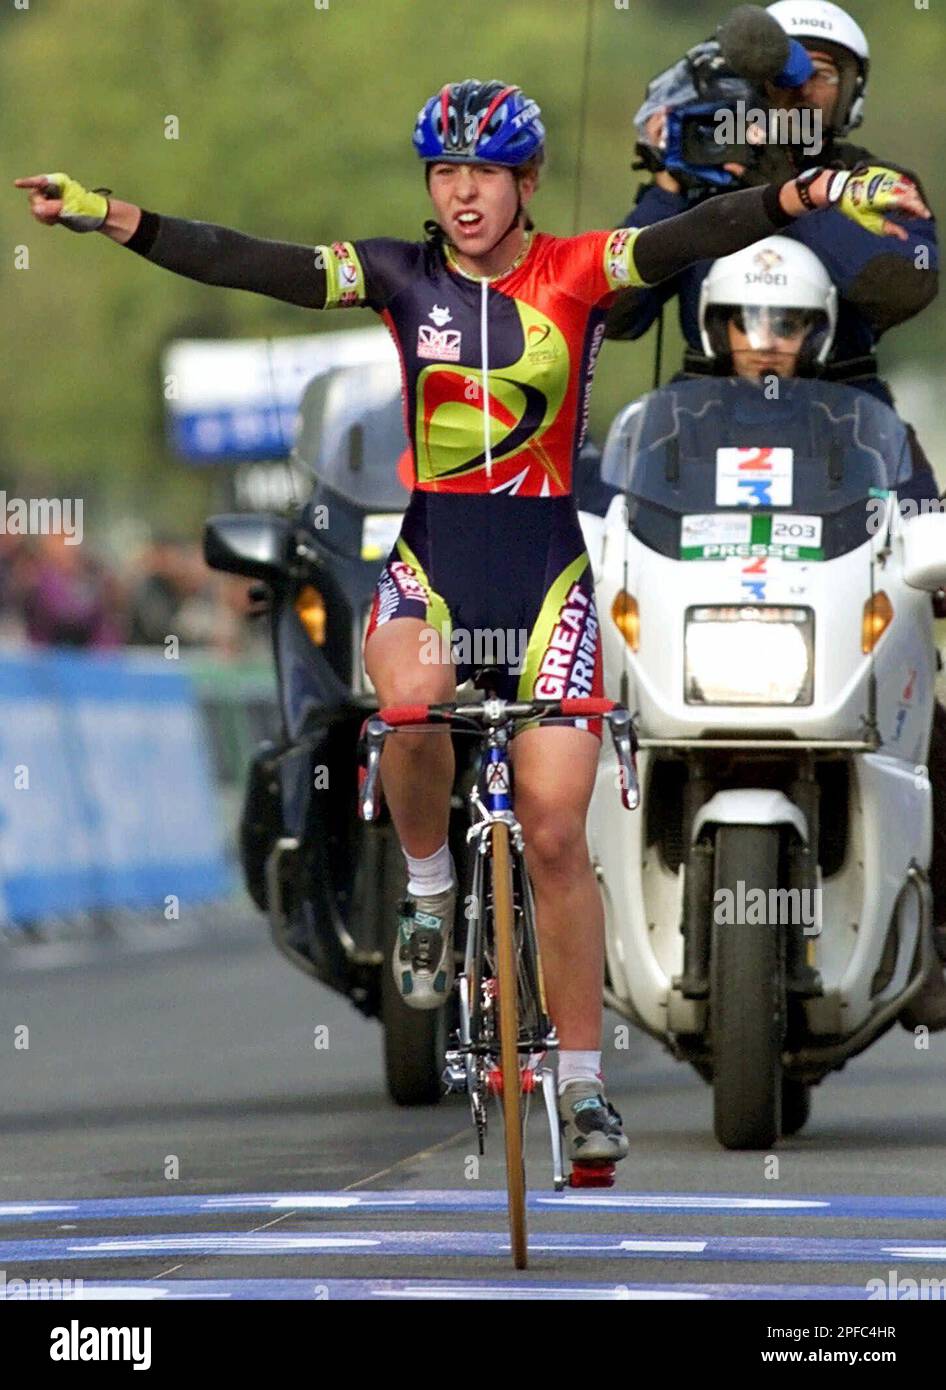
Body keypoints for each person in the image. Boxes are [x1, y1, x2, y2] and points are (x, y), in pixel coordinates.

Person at [15, 79, 929, 1165]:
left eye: (482, 175)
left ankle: (584, 1087)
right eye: (444, 174)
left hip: (547, 578)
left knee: (552, 833)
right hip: (433, 567)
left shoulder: (580, 273)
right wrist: (112, 215)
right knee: (406, 706)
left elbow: (701, 230)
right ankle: (429, 888)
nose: (460, 195)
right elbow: (250, 260)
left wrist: (802, 192)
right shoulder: (397, 276)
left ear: (523, 184)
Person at [693, 234, 946, 1029]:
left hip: (831, 654)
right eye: (748, 322)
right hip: (692, 653)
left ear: (819, 335)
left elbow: (923, 518)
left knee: (940, 744)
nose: (765, 343)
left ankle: (931, 938)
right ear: (716, 327)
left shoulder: (872, 427)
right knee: (568, 749)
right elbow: (605, 517)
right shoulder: (671, 428)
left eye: (788, 324)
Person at [606, 1, 938, 412]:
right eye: (779, 74)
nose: (801, 88)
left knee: (910, 480)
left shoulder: (872, 182)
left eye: (823, 73)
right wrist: (668, 188)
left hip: (844, 424)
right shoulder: (710, 180)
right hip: (704, 419)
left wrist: (788, 192)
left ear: (852, 91)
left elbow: (904, 289)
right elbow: (613, 316)